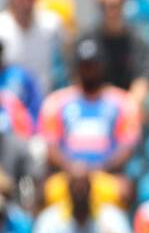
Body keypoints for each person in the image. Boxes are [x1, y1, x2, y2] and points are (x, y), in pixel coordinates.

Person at [38, 36, 141, 177]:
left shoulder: (123, 102)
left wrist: (100, 169)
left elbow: (127, 147)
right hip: (67, 177)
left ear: (102, 66)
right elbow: (51, 147)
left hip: (107, 176)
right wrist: (72, 169)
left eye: (93, 65)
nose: (89, 70)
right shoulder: (56, 102)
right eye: (85, 66)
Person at [88, 0, 149, 108]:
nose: (109, 11)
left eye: (114, 4)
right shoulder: (86, 41)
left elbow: (142, 82)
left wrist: (125, 109)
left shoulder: (141, 42)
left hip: (130, 106)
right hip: (95, 105)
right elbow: (80, 81)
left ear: (125, 4)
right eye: (103, 5)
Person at [0, 0, 65, 95]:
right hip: (9, 106)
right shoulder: (1, 27)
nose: (26, 2)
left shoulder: (52, 25)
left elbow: (62, 66)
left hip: (44, 103)